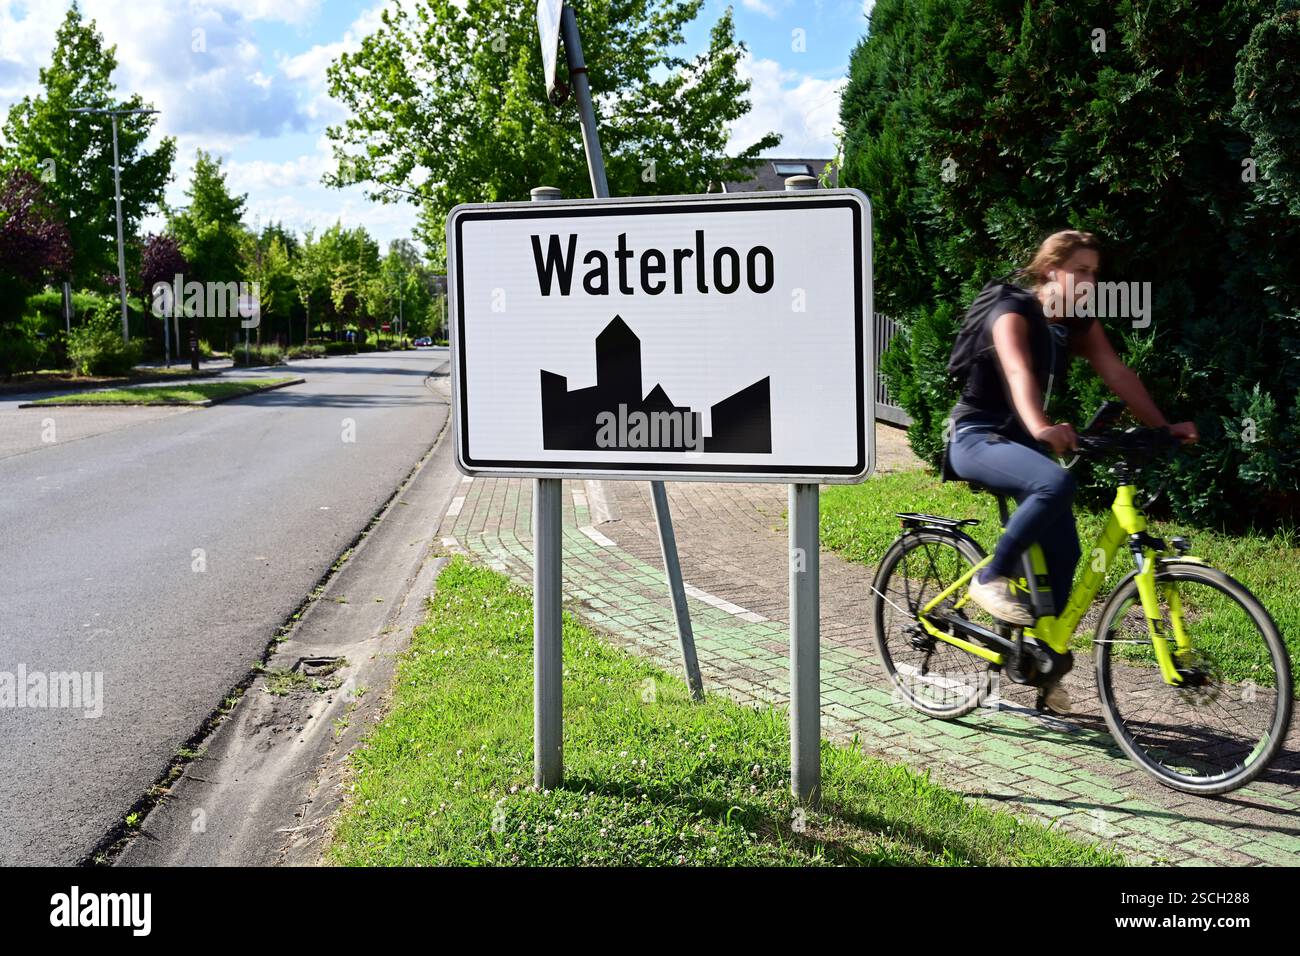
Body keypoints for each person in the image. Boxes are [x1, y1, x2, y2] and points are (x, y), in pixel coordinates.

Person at [946, 230, 1199, 713]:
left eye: (1095, 272)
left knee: (1066, 549)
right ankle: (992, 575)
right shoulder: (1012, 311)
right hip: (976, 436)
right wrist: (1041, 425)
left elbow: (1117, 372)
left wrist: (1163, 428)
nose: (1090, 280)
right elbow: (1018, 371)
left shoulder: (1076, 322)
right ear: (1049, 271)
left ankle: (1042, 656)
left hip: (1020, 441)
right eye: (1080, 270)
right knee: (1056, 481)